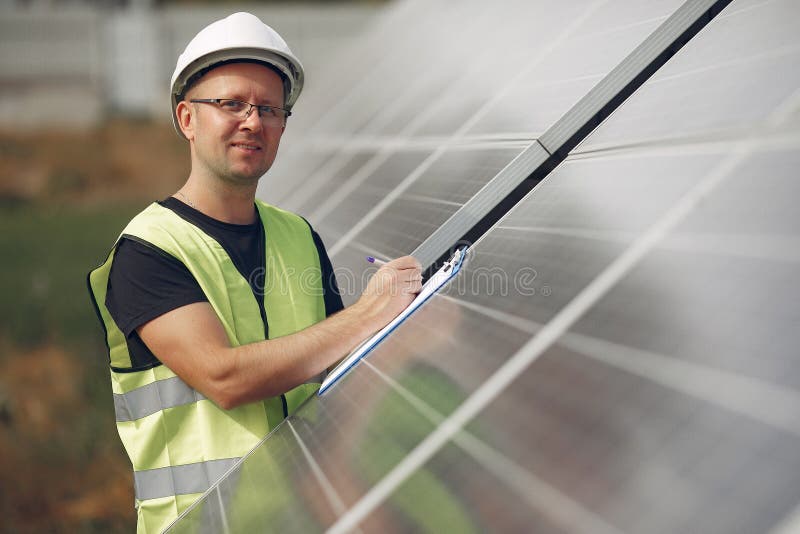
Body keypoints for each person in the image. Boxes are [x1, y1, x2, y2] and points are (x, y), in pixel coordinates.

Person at [87, 12, 421, 533]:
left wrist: (405, 339)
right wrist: (368, 315)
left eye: (270, 108)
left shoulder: (298, 237)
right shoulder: (148, 250)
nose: (253, 121)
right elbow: (225, 377)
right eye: (230, 104)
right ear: (187, 119)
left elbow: (334, 377)